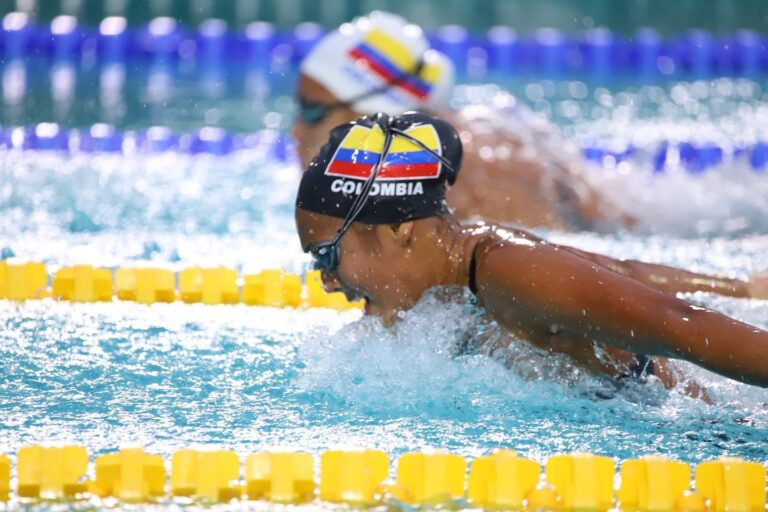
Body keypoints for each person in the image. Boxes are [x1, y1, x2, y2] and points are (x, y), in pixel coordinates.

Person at [295, 112, 768, 393]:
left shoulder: (509, 270)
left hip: (701, 435)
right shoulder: (466, 276)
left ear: (400, 229)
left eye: (326, 256)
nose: (327, 281)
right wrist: (742, 288)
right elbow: (619, 271)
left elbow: (679, 324)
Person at [293, 11, 633, 230]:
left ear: (372, 114)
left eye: (313, 111)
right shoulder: (463, 142)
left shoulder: (460, 182)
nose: (296, 130)